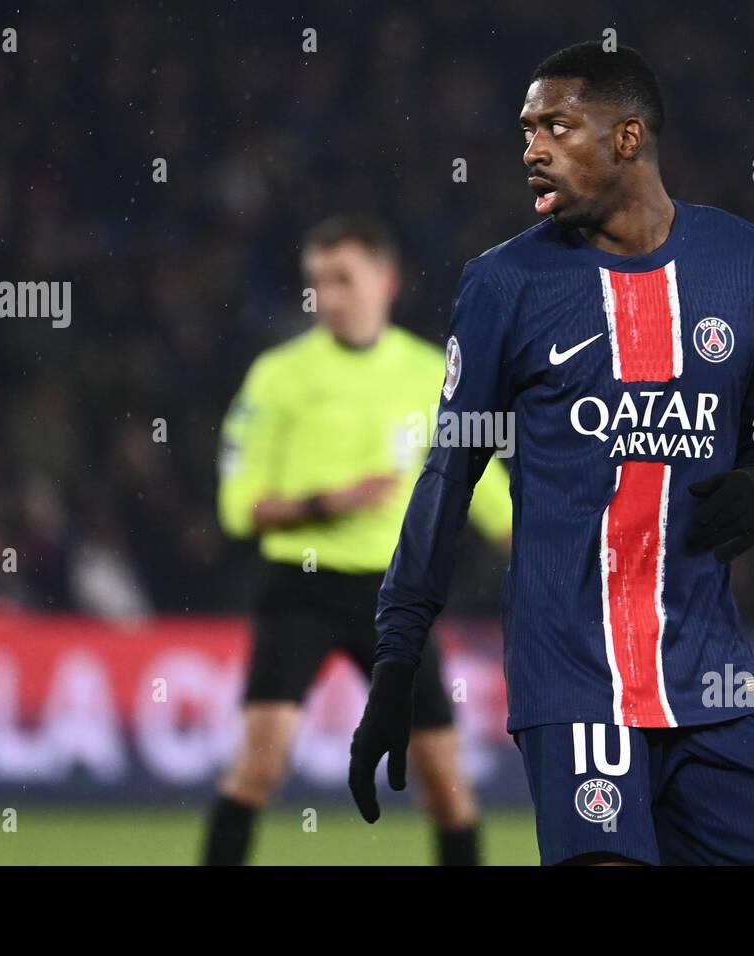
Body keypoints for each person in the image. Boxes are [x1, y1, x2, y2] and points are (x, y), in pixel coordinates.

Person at [349, 41, 754, 866]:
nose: (531, 150)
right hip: (574, 680)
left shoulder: (748, 263)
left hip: (711, 678)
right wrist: (397, 656)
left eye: (557, 127)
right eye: (527, 130)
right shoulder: (506, 284)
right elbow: (449, 472)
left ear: (628, 138)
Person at [204, 215, 512, 866]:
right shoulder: (278, 376)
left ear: (387, 281)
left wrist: (548, 547)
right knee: (258, 769)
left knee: (447, 788)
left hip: (397, 596)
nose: (326, 296)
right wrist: (326, 504)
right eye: (316, 281)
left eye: (342, 279)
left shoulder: (433, 373)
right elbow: (237, 508)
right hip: (300, 591)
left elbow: (485, 490)